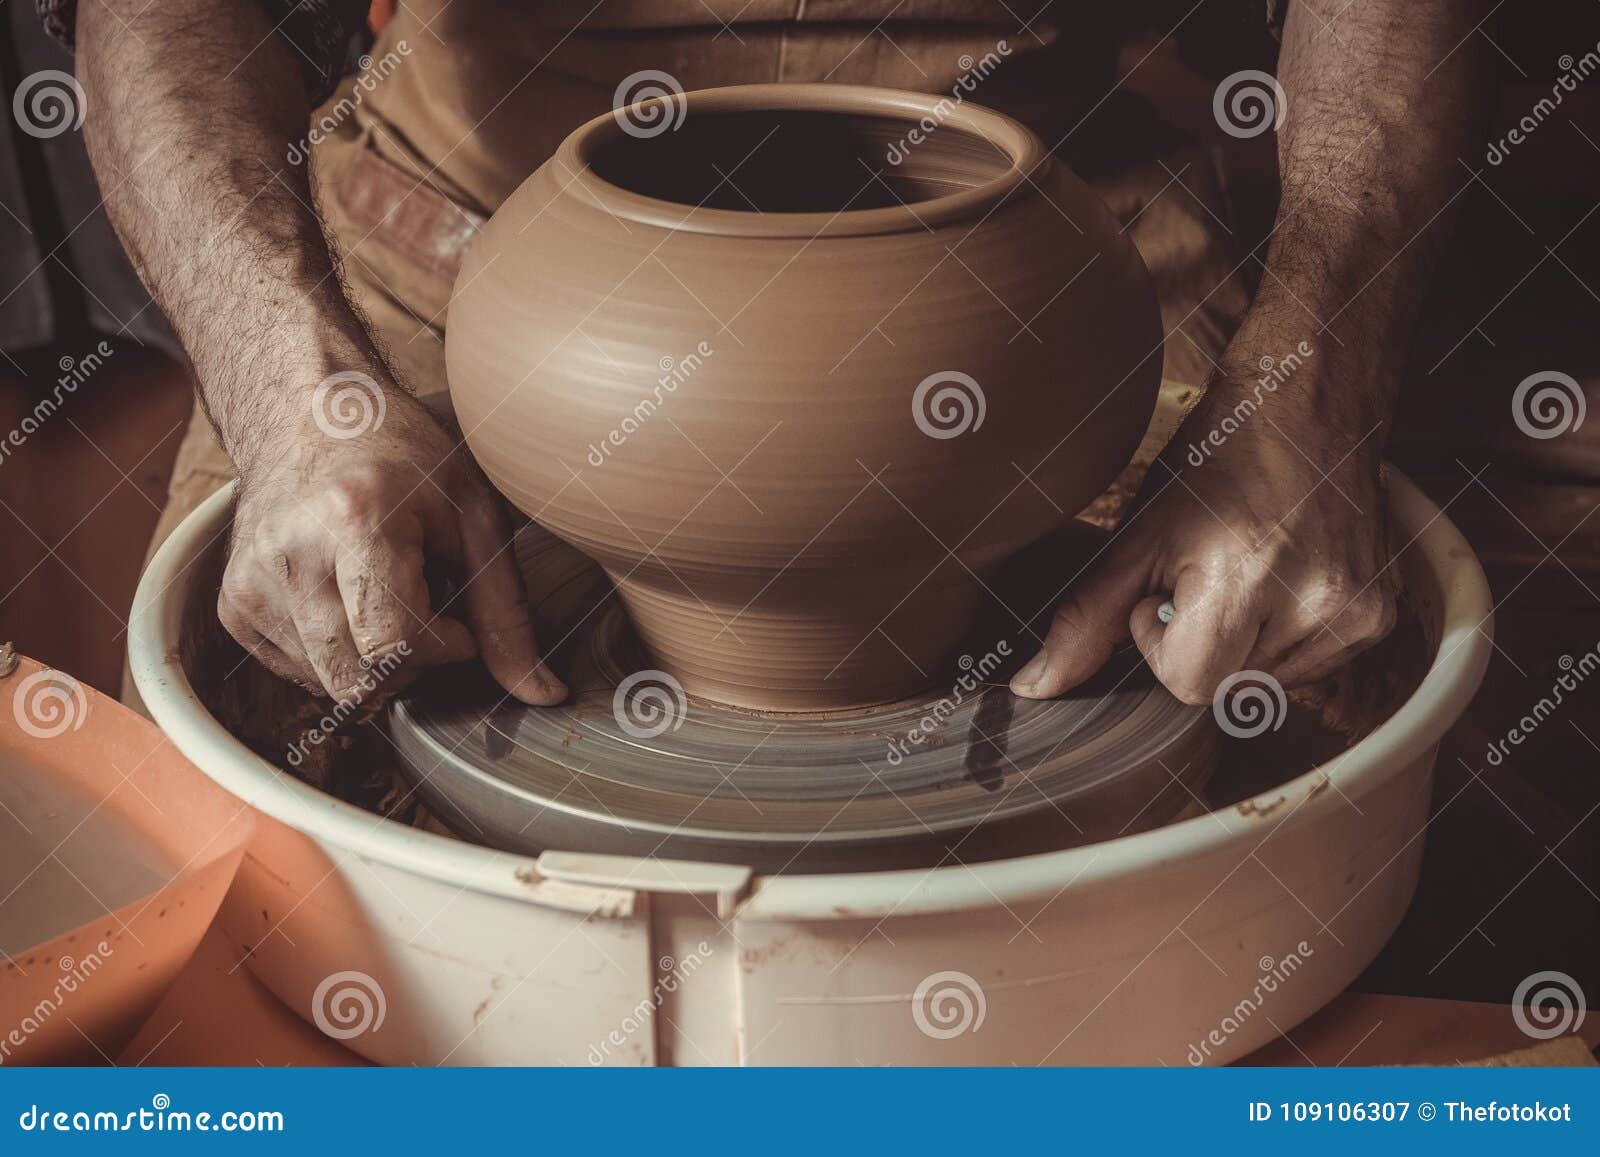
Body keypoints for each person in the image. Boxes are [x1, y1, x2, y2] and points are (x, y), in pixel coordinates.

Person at [65, 0, 1485, 711]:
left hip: (1052, 241)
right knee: (276, 773)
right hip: (486, 251)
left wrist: (1310, 388)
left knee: (1264, 705)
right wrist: (292, 389)